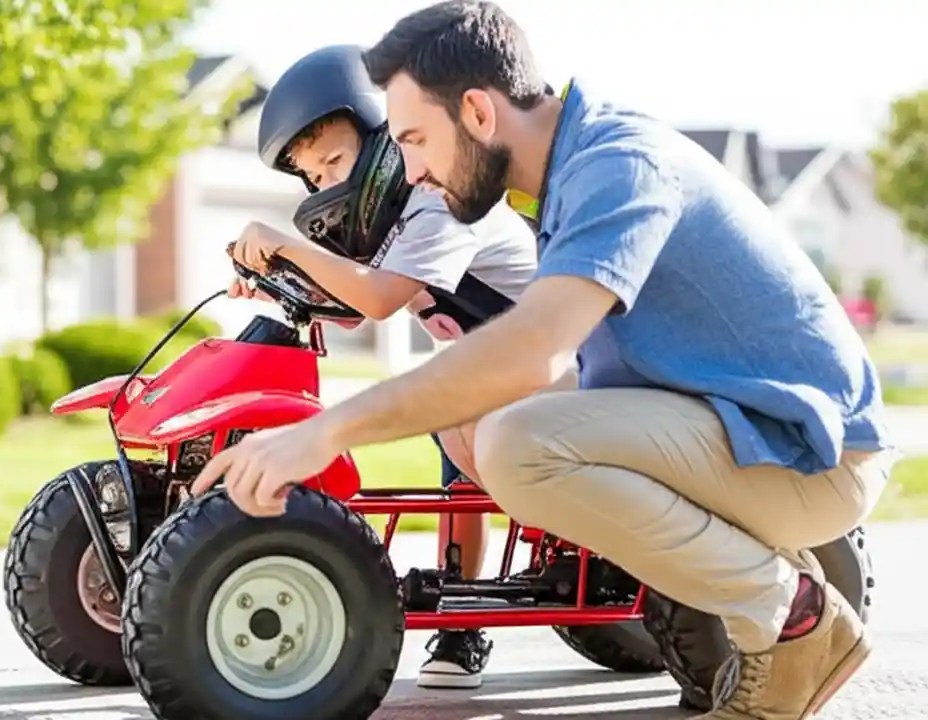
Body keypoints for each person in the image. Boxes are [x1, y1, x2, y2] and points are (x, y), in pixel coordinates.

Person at [194, 2, 899, 718]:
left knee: (519, 443)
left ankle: (791, 612)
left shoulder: (616, 164)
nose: (407, 169)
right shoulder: (562, 178)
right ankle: (778, 625)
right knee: (489, 427)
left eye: (413, 139)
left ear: (475, 111)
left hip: (808, 457)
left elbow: (534, 350)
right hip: (738, 428)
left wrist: (326, 431)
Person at [229, 42, 550, 689]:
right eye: (315, 178)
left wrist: (288, 244)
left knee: (455, 426)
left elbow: (376, 300)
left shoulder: (444, 199)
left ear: (385, 136)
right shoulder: (393, 219)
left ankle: (462, 628)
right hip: (484, 377)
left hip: (555, 372)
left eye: (336, 161)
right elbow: (346, 308)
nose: (329, 184)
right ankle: (459, 613)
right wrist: (274, 280)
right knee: (453, 432)